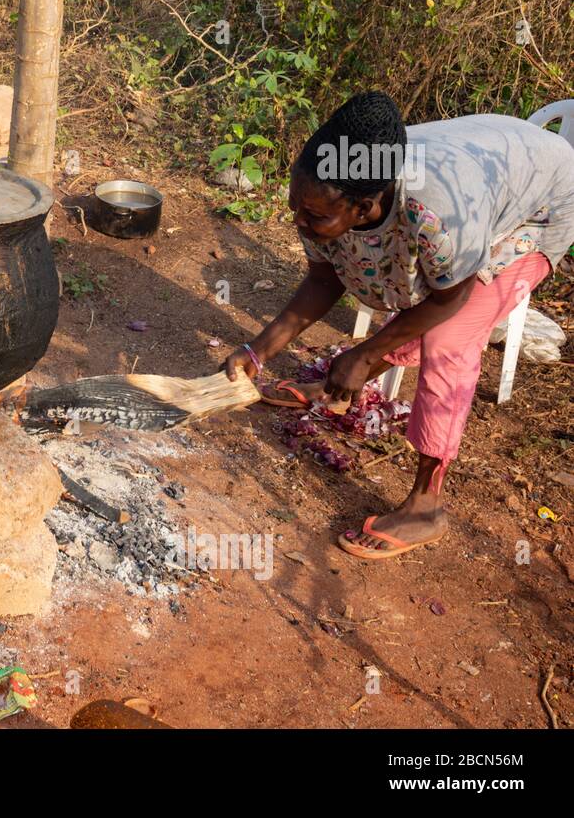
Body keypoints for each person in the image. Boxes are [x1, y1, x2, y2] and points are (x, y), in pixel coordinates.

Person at [223, 91, 574, 560]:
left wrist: (365, 353)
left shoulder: (434, 213)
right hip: (491, 164)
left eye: (314, 216)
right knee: (421, 305)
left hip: (543, 202)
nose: (298, 221)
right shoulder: (330, 185)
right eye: (295, 207)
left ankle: (426, 508)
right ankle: (337, 384)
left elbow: (449, 295)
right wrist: (256, 352)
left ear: (365, 206)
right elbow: (324, 279)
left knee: (451, 338)